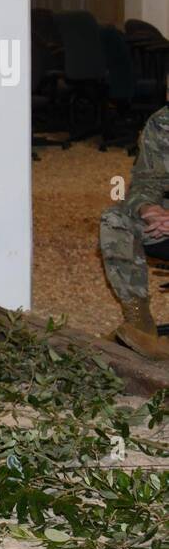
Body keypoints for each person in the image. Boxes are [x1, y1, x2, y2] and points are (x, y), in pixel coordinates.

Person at [100, 106, 169, 360]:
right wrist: (148, 208)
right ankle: (140, 324)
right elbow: (145, 180)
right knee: (116, 219)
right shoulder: (162, 122)